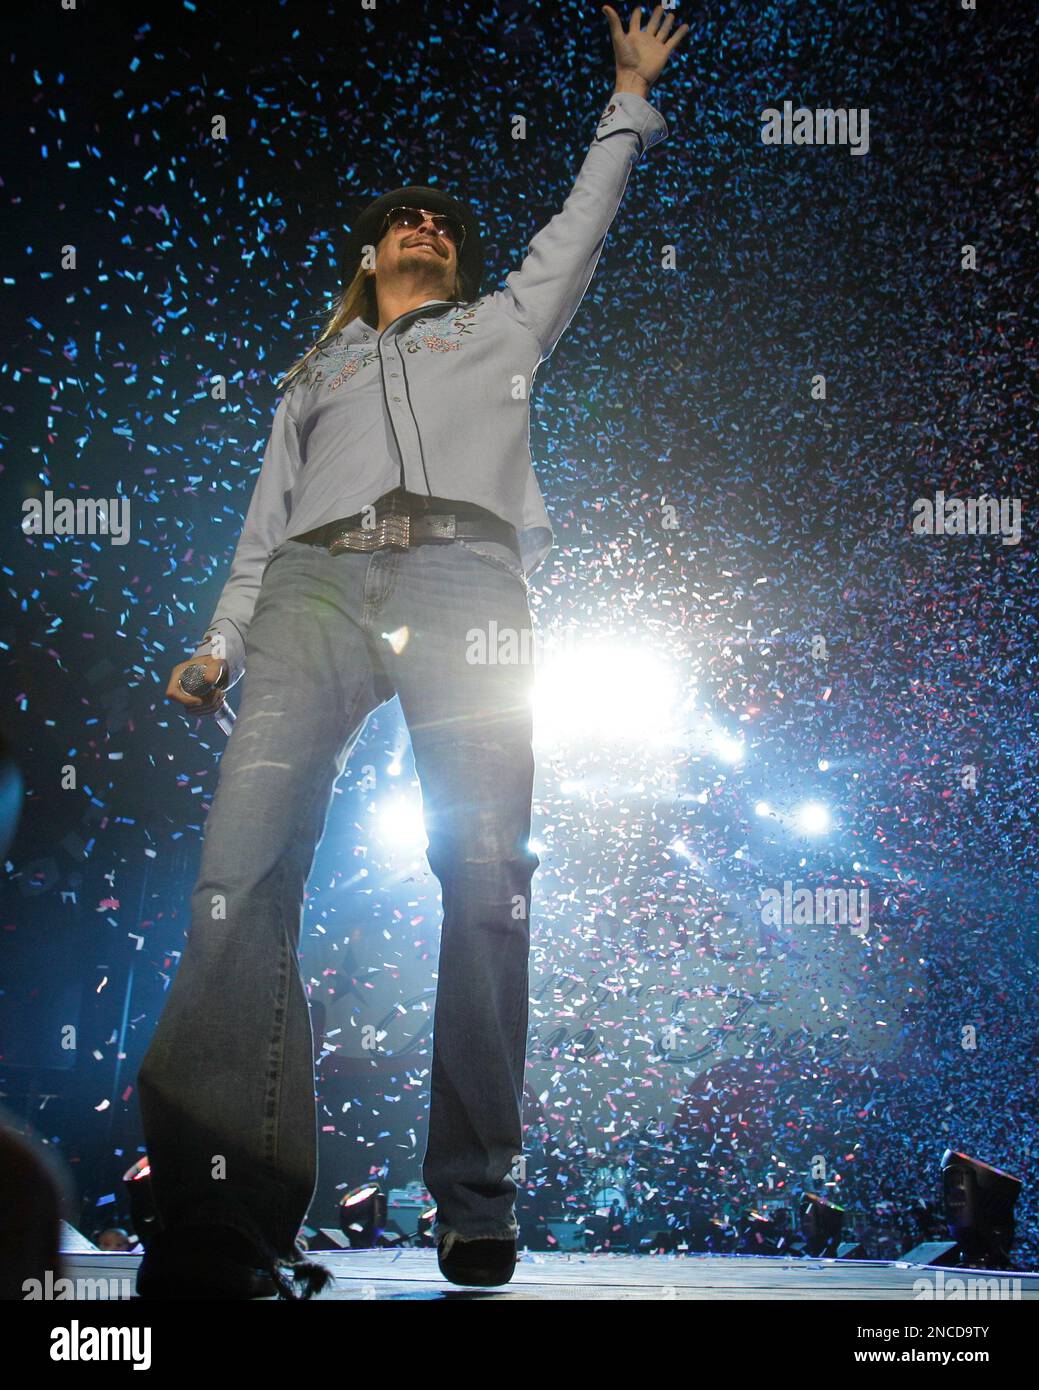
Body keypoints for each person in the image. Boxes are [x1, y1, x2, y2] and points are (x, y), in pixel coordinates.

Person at [136, 4, 688, 1299]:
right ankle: (229, 1202)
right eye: (404, 220)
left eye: (442, 221)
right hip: (314, 586)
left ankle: (476, 1195)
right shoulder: (313, 371)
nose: (424, 227)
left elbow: (580, 228)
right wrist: (219, 640)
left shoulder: (501, 327)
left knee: (486, 866)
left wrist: (627, 96)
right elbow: (262, 522)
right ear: (372, 252)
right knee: (241, 862)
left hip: (466, 576)